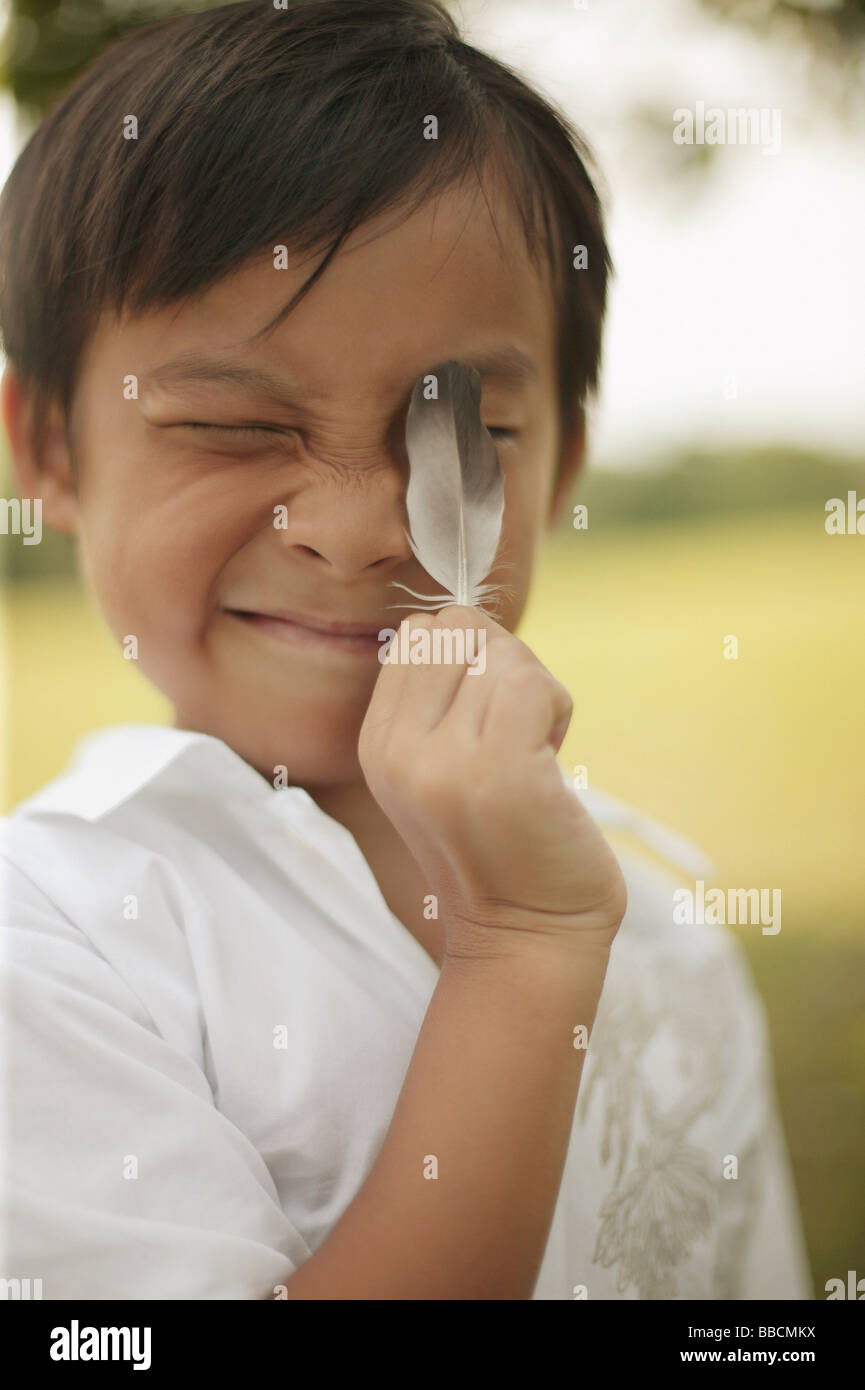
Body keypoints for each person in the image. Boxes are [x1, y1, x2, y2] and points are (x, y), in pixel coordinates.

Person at [0, 0, 811, 1300]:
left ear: (559, 469)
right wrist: (522, 954)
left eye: (461, 434)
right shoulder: (51, 950)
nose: (357, 529)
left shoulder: (666, 939)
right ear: (46, 448)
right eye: (227, 426)